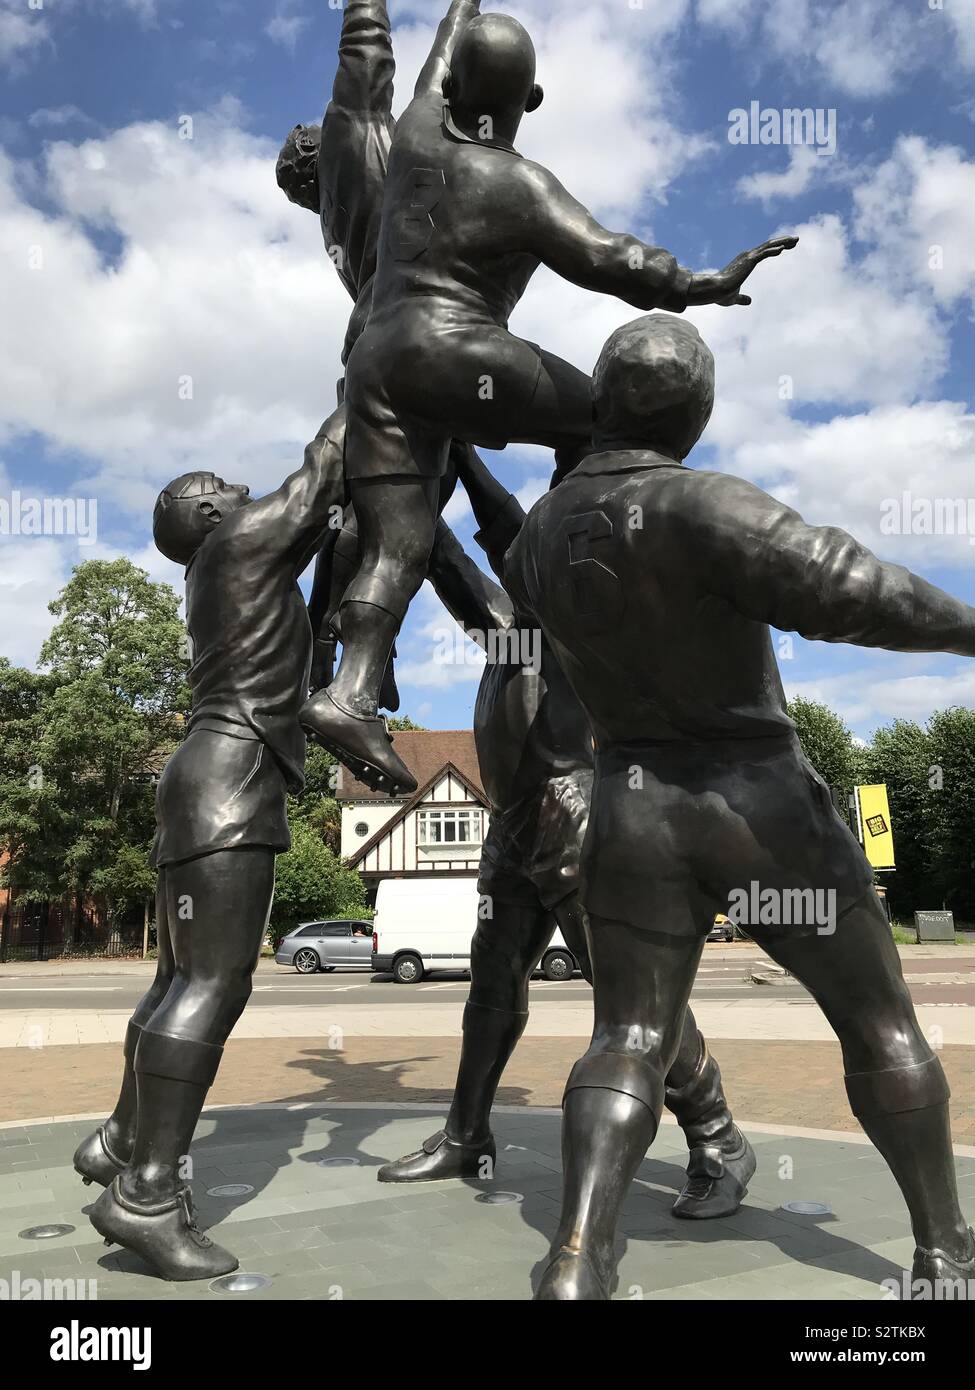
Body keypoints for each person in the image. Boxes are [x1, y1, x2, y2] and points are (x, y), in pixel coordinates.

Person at [505, 312, 975, 1300]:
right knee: (878, 1019)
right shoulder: (700, 503)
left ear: (603, 402)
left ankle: (578, 1255)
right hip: (756, 796)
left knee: (627, 1036)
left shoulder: (537, 540)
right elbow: (851, 588)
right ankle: (943, 1250)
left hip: (630, 804)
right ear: (699, 411)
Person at [299, 0, 798, 794]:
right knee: (605, 417)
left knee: (401, 545)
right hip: (456, 352)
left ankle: (350, 693)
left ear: (454, 82)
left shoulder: (422, 128)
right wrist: (703, 284)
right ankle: (572, 571)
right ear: (528, 102)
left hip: (375, 368)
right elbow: (614, 259)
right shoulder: (524, 186)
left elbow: (418, 54)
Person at [378, 451, 756, 1219]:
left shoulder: (579, 617)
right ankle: (466, 1132)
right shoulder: (511, 630)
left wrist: (457, 455)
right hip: (513, 821)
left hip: (573, 815)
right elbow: (450, 562)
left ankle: (718, 1135)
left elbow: (498, 539)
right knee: (491, 983)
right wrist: (415, 479)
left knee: (630, 995)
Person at [74, 436, 345, 1281]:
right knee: (211, 984)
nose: (238, 484)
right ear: (205, 514)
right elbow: (327, 467)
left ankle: (120, 1140)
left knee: (173, 981)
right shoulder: (240, 541)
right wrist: (384, 333)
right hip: (228, 786)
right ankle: (147, 1196)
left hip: (197, 781)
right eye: (220, 484)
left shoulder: (218, 568)